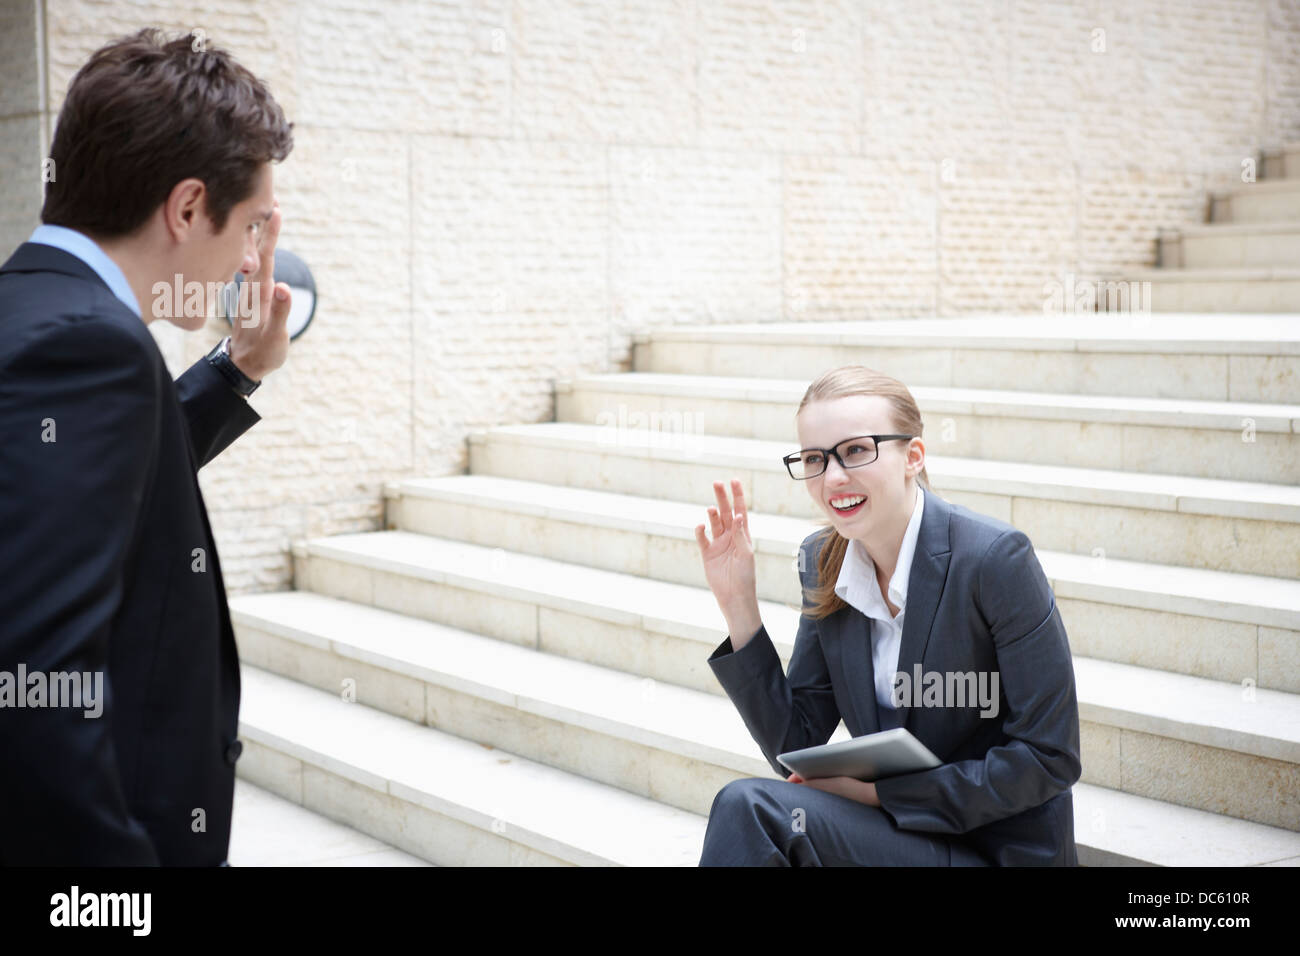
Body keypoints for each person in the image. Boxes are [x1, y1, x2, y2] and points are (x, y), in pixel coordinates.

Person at [0, 28, 294, 865]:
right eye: (249, 228)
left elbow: (83, 487)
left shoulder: (32, 307)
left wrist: (234, 372)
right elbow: (33, 700)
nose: (250, 259)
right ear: (188, 207)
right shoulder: (91, 348)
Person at [693, 365, 1082, 866]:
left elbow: (1049, 757)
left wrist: (882, 796)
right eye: (815, 458)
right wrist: (738, 605)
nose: (833, 477)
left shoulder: (993, 559)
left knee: (749, 807)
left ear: (912, 456)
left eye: (856, 450)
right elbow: (796, 742)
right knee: (757, 813)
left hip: (995, 848)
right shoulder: (824, 561)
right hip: (898, 839)